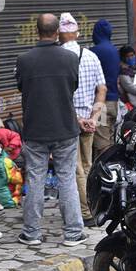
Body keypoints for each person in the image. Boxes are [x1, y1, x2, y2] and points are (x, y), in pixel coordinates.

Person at [14, 14, 85, 247]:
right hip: (65, 127)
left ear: (37, 31)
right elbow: (72, 86)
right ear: (57, 32)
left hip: (35, 129)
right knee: (67, 179)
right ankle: (73, 233)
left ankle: (31, 233)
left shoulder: (24, 59)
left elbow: (21, 86)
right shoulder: (71, 58)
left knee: (35, 179)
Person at [60, 12, 106, 224]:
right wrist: (95, 117)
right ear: (77, 33)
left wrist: (77, 118)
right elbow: (102, 89)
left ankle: (85, 213)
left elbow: (59, 95)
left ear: (59, 34)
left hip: (67, 120)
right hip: (89, 120)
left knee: (75, 168)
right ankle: (92, 207)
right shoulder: (91, 56)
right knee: (87, 166)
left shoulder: (58, 57)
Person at [90, 18, 121, 156]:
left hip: (101, 104)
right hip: (114, 103)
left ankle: (106, 167)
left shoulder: (94, 52)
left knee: (102, 144)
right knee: (110, 139)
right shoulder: (114, 50)